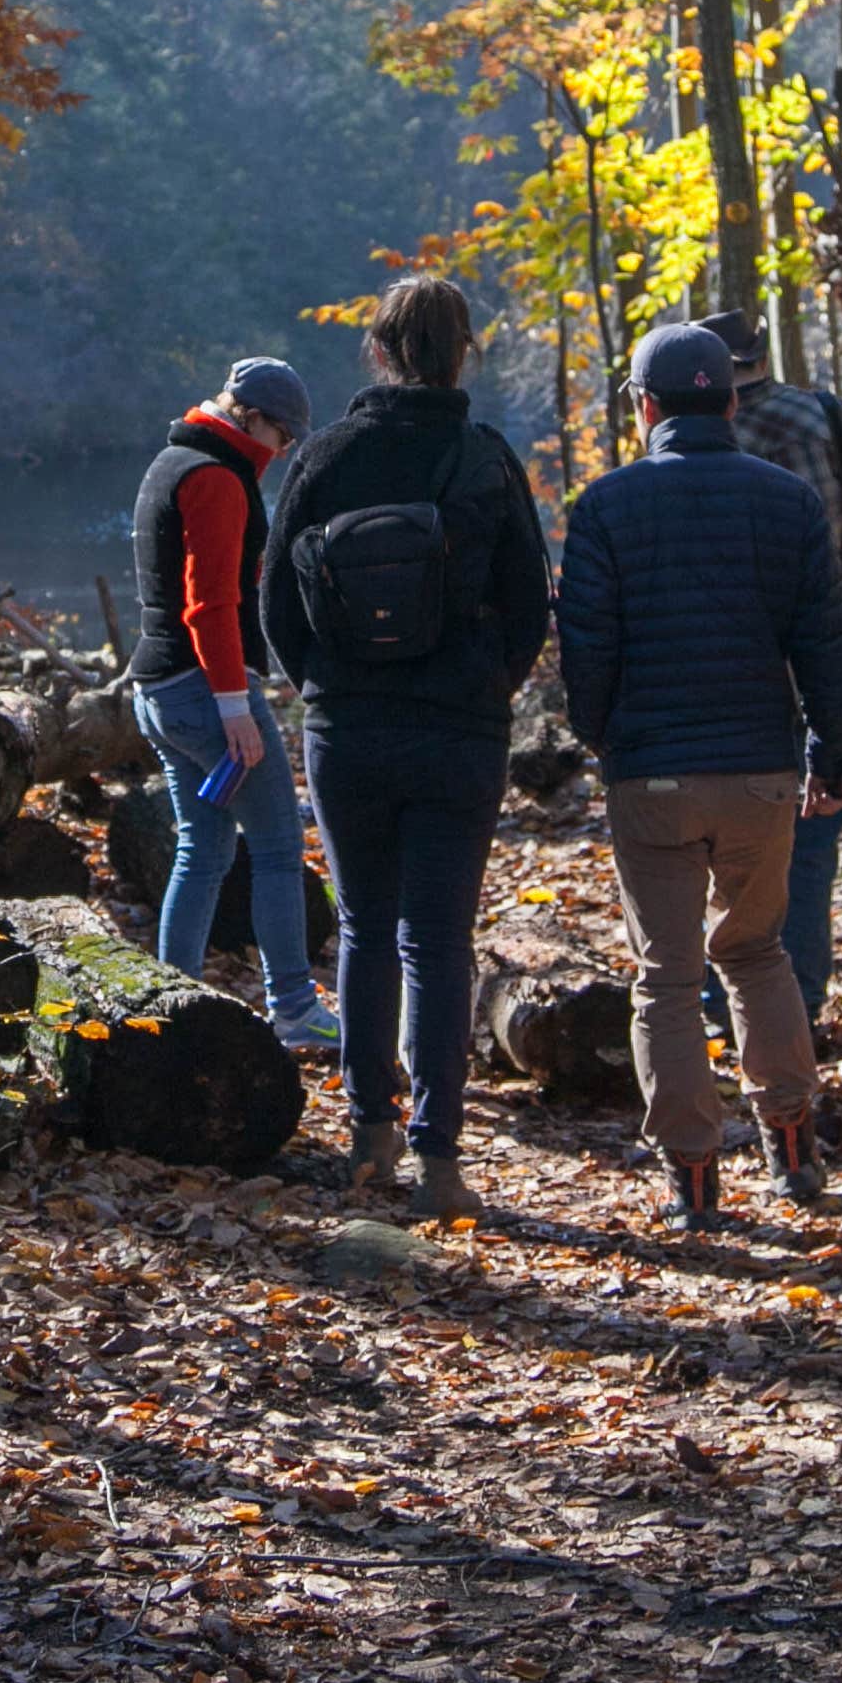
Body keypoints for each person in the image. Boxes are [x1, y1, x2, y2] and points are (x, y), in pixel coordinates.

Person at [556, 322, 842, 1230]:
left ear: (645, 409)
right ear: (730, 401)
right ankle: (793, 1145)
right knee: (758, 952)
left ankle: (694, 1179)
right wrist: (831, 758)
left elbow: (585, 652)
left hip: (650, 774)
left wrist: (607, 742)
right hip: (764, 771)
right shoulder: (789, 501)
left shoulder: (605, 506)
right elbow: (827, 646)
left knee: (666, 975)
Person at [259, 275, 550, 1220]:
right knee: (439, 940)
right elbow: (529, 605)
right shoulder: (485, 458)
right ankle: (440, 1156)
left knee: (364, 930)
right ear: (461, 351)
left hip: (349, 729)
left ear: (377, 349)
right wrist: (484, 691)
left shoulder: (323, 456)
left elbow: (273, 605)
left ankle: (367, 1136)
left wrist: (324, 690)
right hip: (460, 731)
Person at [696, 309, 842, 1039]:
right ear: (761, 354)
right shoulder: (822, 413)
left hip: (725, 660)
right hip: (824, 647)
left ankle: (726, 1005)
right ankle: (802, 1003)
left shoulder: (689, 440)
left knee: (727, 837)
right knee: (814, 834)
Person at [130, 357, 338, 1055]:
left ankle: (170, 1003)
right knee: (279, 848)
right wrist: (236, 705)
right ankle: (295, 1009)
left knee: (204, 849)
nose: (282, 455)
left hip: (156, 689)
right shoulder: (217, 479)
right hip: (202, 693)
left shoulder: (172, 460)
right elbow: (209, 605)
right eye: (282, 437)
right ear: (253, 419)